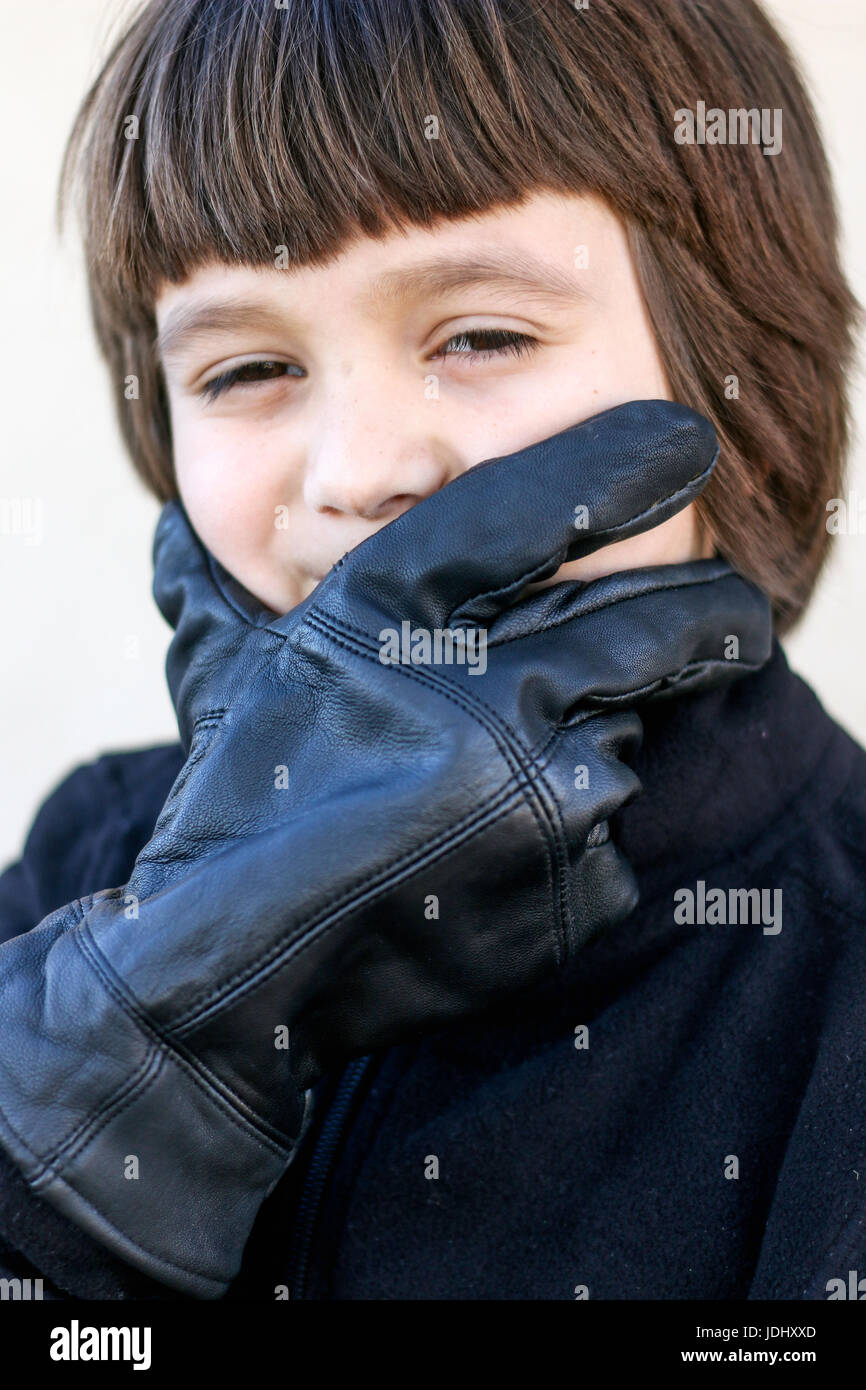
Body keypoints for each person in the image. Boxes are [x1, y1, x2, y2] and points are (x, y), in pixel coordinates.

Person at [0, 0, 862, 1301]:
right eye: (245, 369)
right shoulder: (88, 865)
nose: (360, 471)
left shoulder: (835, 979)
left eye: (482, 336)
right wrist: (131, 1069)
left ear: (730, 361)